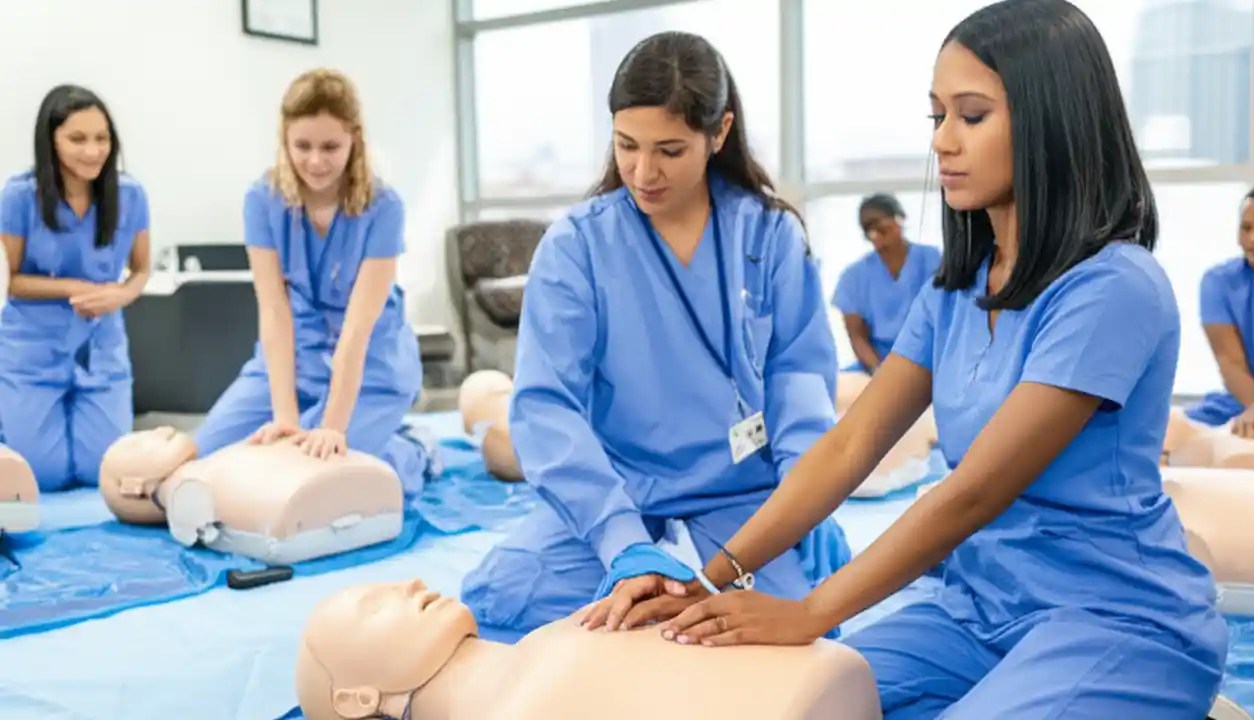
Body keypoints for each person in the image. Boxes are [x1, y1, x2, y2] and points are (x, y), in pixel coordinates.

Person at [587, 2, 1229, 717]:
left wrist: (810, 613)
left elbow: (974, 493)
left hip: (1113, 621)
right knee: (781, 705)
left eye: (971, 116)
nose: (942, 141)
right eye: (937, 116)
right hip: (974, 611)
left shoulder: (1113, 287)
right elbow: (850, 444)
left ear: (1054, 121)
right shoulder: (955, 291)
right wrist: (709, 581)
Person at [459, 31, 850, 633]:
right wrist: (620, 542)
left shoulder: (769, 236)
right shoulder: (577, 246)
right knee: (503, 597)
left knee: (790, 628)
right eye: (626, 146)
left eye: (669, 150)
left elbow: (798, 377)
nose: (643, 173)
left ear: (719, 133)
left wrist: (805, 498)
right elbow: (547, 404)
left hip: (742, 499)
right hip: (618, 496)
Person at [193, 69, 427, 495]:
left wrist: (332, 427)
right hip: (295, 356)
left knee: (323, 478)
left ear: (355, 139)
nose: (316, 162)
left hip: (371, 365)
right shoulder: (262, 199)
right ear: (284, 139)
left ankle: (413, 451)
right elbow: (273, 310)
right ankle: (324, 427)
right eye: (302, 146)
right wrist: (285, 419)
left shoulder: (384, 207)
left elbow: (357, 331)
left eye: (330, 147)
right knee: (205, 462)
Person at [294, 580, 880, 720]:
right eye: (376, 605)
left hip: (822, 679)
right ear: (355, 700)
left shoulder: (545, 643)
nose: (412, 585)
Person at [0, 85, 151, 492]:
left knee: (100, 470)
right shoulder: (18, 197)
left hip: (100, 347)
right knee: (43, 476)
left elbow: (141, 269)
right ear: (51, 141)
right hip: (32, 350)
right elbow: (10, 280)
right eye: (78, 139)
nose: (93, 151)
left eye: (102, 138)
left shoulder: (131, 195)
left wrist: (121, 294)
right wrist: (73, 287)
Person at [98, 426, 404, 563]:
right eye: (139, 442)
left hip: (318, 488)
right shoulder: (187, 489)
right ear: (133, 488)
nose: (158, 429)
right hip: (302, 504)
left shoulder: (213, 463)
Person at [1184, 183, 1254, 439]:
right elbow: (1229, 360)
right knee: (1169, 431)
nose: (1253, 238)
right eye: (1246, 228)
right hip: (1243, 403)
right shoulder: (1219, 281)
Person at [830, 194, 941, 374]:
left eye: (881, 227)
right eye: (868, 229)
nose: (876, 235)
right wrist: (879, 373)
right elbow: (857, 336)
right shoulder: (854, 276)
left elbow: (948, 319)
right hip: (879, 365)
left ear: (899, 220)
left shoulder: (932, 260)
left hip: (931, 361)